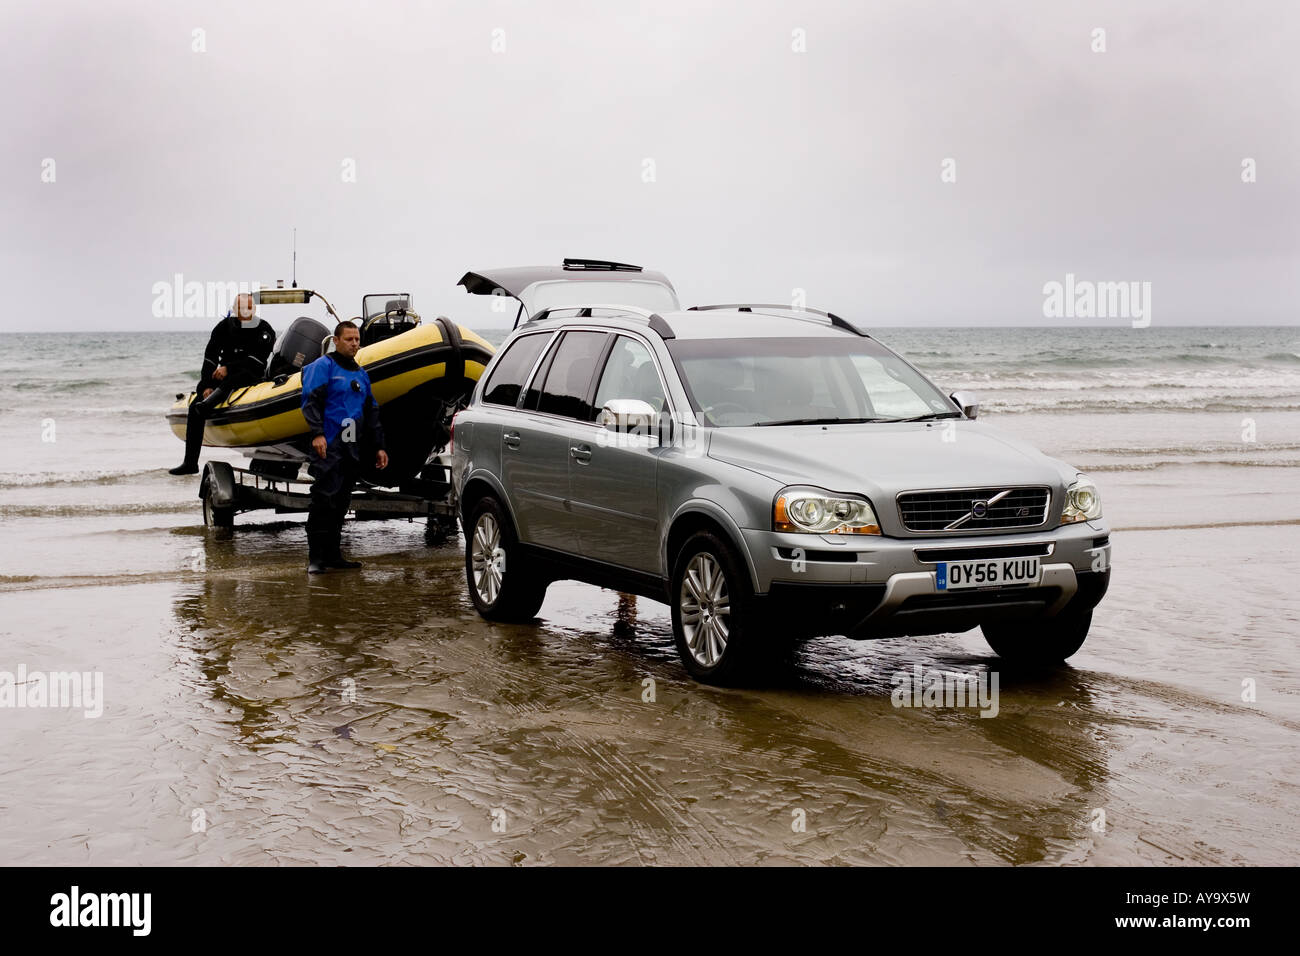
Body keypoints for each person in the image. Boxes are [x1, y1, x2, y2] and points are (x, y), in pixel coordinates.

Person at [301, 321, 388, 573]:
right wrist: (317, 433)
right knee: (323, 500)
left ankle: (333, 555)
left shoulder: (361, 374)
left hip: (352, 446)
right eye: (349, 339)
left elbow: (371, 412)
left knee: (341, 502)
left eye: (357, 339)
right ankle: (315, 558)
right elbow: (310, 401)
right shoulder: (323, 367)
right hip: (329, 443)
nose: (354, 344)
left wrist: (379, 447)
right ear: (336, 341)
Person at [169, 292, 276, 475]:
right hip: (223, 378)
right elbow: (210, 359)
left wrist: (228, 368)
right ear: (235, 309)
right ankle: (190, 463)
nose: (246, 311)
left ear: (255, 308)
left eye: (249, 307)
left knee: (238, 376)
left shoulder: (264, 329)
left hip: (251, 375)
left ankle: (208, 406)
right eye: (242, 307)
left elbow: (257, 360)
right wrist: (206, 386)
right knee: (196, 407)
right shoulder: (223, 327)